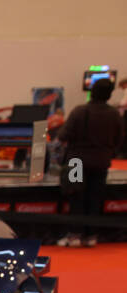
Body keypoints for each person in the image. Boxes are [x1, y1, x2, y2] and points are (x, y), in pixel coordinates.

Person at [56, 77, 124, 247]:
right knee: (95, 198)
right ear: (109, 95)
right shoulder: (114, 114)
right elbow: (119, 139)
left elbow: (64, 135)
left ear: (92, 92)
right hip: (101, 162)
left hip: (77, 162)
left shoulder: (79, 111)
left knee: (76, 196)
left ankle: (74, 235)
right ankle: (92, 235)